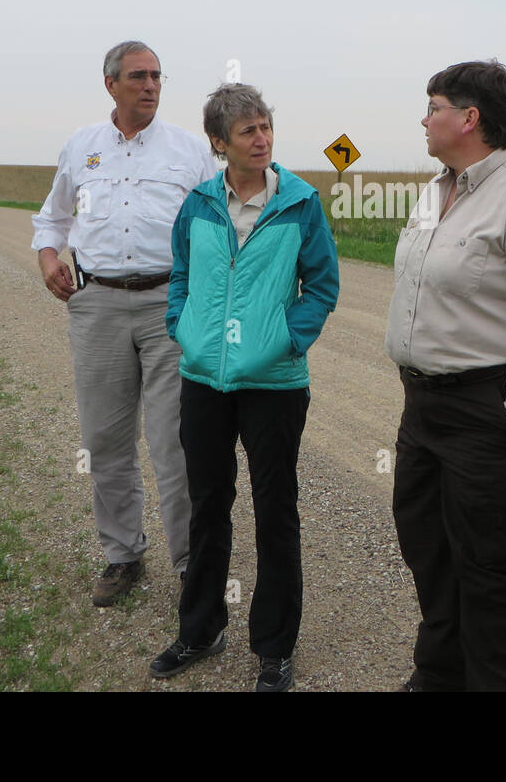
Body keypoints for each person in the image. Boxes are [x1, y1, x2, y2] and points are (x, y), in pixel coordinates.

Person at [385, 59, 506, 692]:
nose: (424, 117)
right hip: (424, 408)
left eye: (434, 105)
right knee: (429, 549)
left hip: (487, 411)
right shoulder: (432, 190)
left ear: (469, 118)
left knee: (493, 569)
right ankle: (441, 674)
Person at [149, 84, 339, 692]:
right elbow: (179, 275)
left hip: (275, 384)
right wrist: (183, 329)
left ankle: (275, 648)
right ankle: (200, 629)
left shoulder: (302, 203)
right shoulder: (200, 203)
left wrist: (286, 338)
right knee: (207, 507)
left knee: (275, 511)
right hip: (204, 379)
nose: (261, 140)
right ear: (218, 144)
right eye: (247, 132)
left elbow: (324, 286)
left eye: (266, 128)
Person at [31, 40, 215, 606]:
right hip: (97, 306)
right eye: (138, 76)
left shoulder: (188, 152)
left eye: (157, 76)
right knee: (105, 440)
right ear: (109, 83)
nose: (150, 86)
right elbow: (52, 218)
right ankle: (122, 555)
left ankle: (191, 564)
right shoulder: (80, 148)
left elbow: (219, 226)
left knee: (175, 442)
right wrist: (47, 259)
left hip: (170, 309)